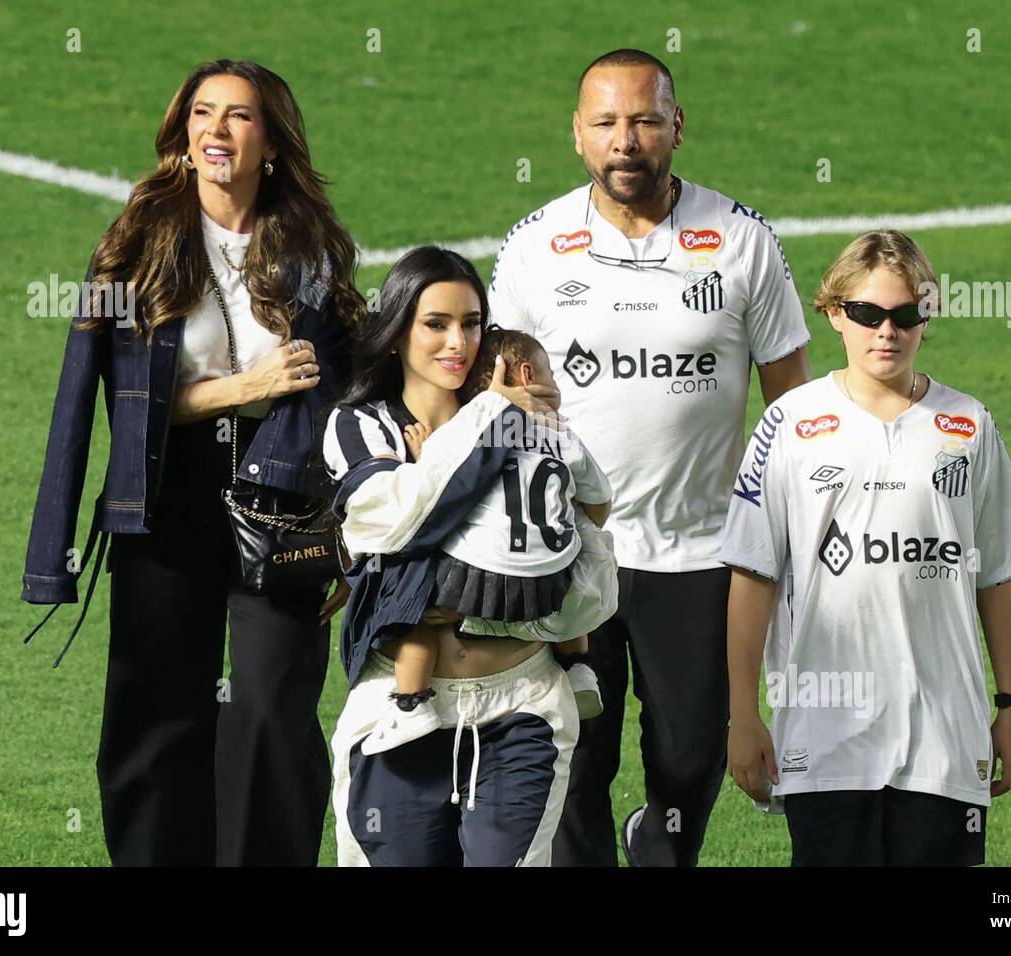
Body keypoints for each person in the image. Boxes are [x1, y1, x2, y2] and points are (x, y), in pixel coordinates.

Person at [20, 59, 361, 866]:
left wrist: (356, 535)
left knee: (272, 706)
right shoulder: (138, 243)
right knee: (159, 710)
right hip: (168, 498)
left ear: (270, 142)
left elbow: (347, 400)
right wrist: (245, 386)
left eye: (238, 116)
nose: (216, 130)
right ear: (182, 135)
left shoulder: (313, 247)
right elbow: (113, 403)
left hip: (286, 504)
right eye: (202, 114)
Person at [487, 48, 812, 866]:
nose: (624, 140)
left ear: (676, 126)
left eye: (641, 120)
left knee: (694, 753)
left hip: (700, 551)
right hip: (570, 549)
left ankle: (657, 845)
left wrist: (798, 528)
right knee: (575, 752)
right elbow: (491, 399)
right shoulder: (534, 248)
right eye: (605, 123)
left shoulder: (742, 242)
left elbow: (793, 406)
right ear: (577, 135)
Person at [722, 230, 1011, 866]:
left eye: (905, 314)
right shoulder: (788, 424)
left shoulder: (969, 426)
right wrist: (743, 715)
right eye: (868, 314)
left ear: (928, 315)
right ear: (835, 313)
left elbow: (996, 576)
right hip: (824, 735)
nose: (886, 331)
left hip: (945, 740)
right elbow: (752, 576)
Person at [323, 246, 617, 866]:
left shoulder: (528, 422)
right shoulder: (359, 426)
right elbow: (396, 521)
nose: (458, 341)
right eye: (436, 323)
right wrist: (490, 419)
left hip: (522, 704)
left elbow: (581, 528)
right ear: (399, 327)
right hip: (400, 711)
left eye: (473, 323)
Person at [360, 328, 612, 754]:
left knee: (413, 598)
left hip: (476, 586)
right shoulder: (565, 434)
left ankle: (410, 703)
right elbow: (601, 507)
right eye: (552, 371)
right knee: (578, 548)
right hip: (550, 589)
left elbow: (444, 482)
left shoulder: (471, 424)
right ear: (530, 372)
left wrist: (424, 452)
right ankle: (578, 667)